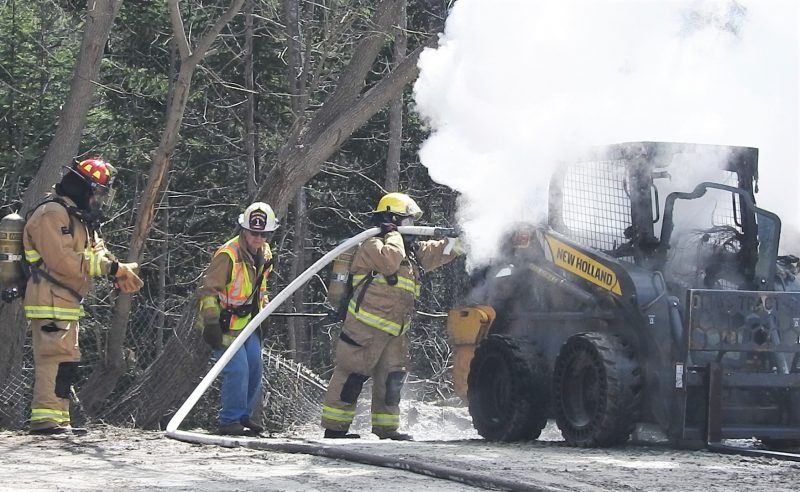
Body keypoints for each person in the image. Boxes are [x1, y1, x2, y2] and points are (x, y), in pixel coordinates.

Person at [320, 192, 463, 440]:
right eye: (409, 221)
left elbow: (440, 252)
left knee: (392, 379)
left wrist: (461, 239)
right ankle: (335, 429)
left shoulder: (408, 250)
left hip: (396, 330)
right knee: (352, 375)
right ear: (392, 219)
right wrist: (394, 234)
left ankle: (387, 429)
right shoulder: (371, 244)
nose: (415, 227)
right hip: (364, 327)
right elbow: (389, 263)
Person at [23, 158, 144, 435]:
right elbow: (62, 260)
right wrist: (107, 267)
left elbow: (96, 250)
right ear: (82, 186)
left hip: (66, 301)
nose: (99, 198)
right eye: (98, 191)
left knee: (66, 357)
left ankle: (59, 418)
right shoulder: (51, 214)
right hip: (48, 298)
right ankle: (45, 420)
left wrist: (117, 269)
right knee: (53, 356)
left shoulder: (79, 216)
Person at [196, 202, 278, 436]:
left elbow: (260, 288)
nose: (258, 238)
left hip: (249, 323)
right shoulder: (227, 255)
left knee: (254, 366)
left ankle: (244, 416)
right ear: (244, 229)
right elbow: (208, 292)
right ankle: (229, 421)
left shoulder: (266, 253)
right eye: (254, 233)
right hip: (222, 324)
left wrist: (264, 314)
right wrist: (211, 324)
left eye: (264, 233)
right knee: (238, 369)